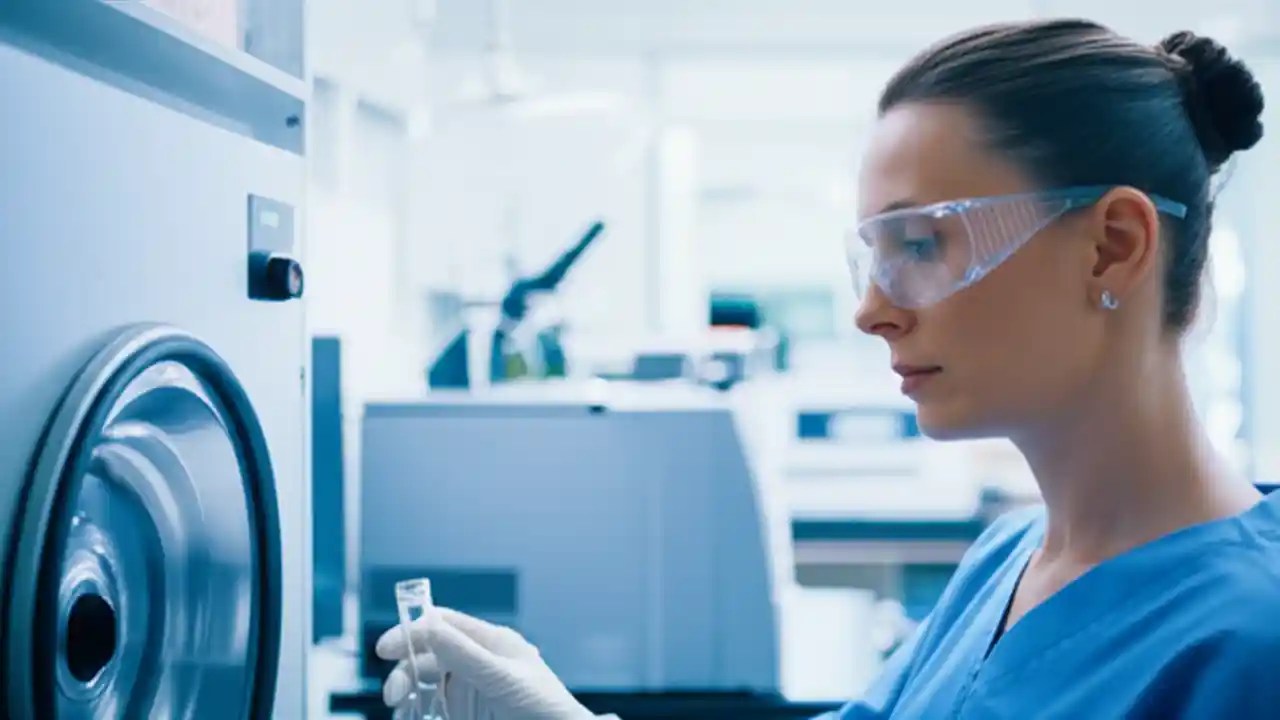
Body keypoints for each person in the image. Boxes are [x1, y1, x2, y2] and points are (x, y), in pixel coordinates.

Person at [377, 18, 1280, 718]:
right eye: (872, 257)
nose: (872, 309)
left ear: (1111, 249)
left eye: (921, 242)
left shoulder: (1247, 645)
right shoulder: (1007, 559)